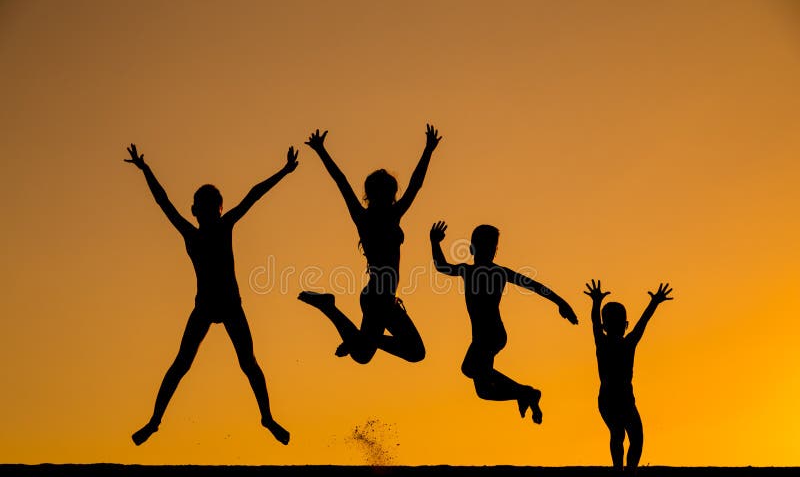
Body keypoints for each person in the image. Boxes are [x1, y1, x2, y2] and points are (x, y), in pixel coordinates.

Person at [124, 142, 298, 446]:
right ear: (196, 211)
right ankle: (154, 422)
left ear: (217, 209)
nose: (206, 211)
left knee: (248, 363)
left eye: (211, 207)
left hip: (229, 306)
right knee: (182, 364)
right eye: (201, 207)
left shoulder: (222, 225)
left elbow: (254, 195)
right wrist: (145, 169)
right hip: (205, 307)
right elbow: (163, 201)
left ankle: (267, 418)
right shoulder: (193, 233)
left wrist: (283, 171)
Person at [297, 124, 441, 365]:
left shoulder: (382, 216)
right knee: (383, 353)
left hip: (384, 297)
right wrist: (321, 151)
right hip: (377, 297)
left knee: (385, 352)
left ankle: (347, 326)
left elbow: (415, 186)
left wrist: (428, 150)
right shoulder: (373, 217)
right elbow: (342, 182)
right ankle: (331, 310)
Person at [429, 221, 578, 424]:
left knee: (469, 368)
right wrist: (560, 303)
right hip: (486, 337)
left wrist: (435, 242)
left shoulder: (480, 271)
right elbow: (535, 286)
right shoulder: (483, 272)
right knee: (484, 391)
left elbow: (442, 266)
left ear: (474, 249)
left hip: (490, 335)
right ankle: (524, 394)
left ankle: (526, 392)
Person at [583, 278, 673, 473]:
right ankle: (622, 470)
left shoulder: (612, 342)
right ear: (625, 325)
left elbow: (596, 322)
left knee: (632, 436)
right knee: (622, 434)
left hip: (620, 398)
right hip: (613, 398)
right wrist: (654, 303)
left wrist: (596, 302)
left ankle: (627, 470)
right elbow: (642, 323)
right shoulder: (617, 343)